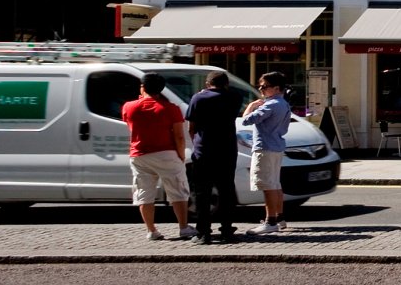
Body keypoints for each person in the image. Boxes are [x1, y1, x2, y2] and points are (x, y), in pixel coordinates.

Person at [122, 72, 195, 242]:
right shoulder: (171, 108)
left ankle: (151, 230)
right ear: (161, 89)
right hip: (166, 153)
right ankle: (183, 227)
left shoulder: (129, 107)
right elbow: (179, 136)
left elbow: (131, 128)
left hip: (139, 154)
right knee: (178, 190)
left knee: (144, 192)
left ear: (143, 87)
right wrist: (180, 156)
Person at [186, 72, 243, 244]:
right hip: (227, 150)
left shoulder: (198, 98)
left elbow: (191, 126)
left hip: (204, 151)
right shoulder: (235, 97)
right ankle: (227, 230)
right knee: (226, 191)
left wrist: (196, 142)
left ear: (207, 83)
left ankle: (203, 232)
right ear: (226, 83)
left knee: (202, 192)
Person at [240, 71, 293, 235]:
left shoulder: (270, 105)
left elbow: (246, 120)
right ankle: (279, 217)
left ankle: (270, 222)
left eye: (264, 86)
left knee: (267, 185)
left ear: (276, 88)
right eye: (260, 86)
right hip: (276, 146)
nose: (261, 89)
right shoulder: (283, 104)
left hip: (264, 147)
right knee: (275, 183)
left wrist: (250, 106)